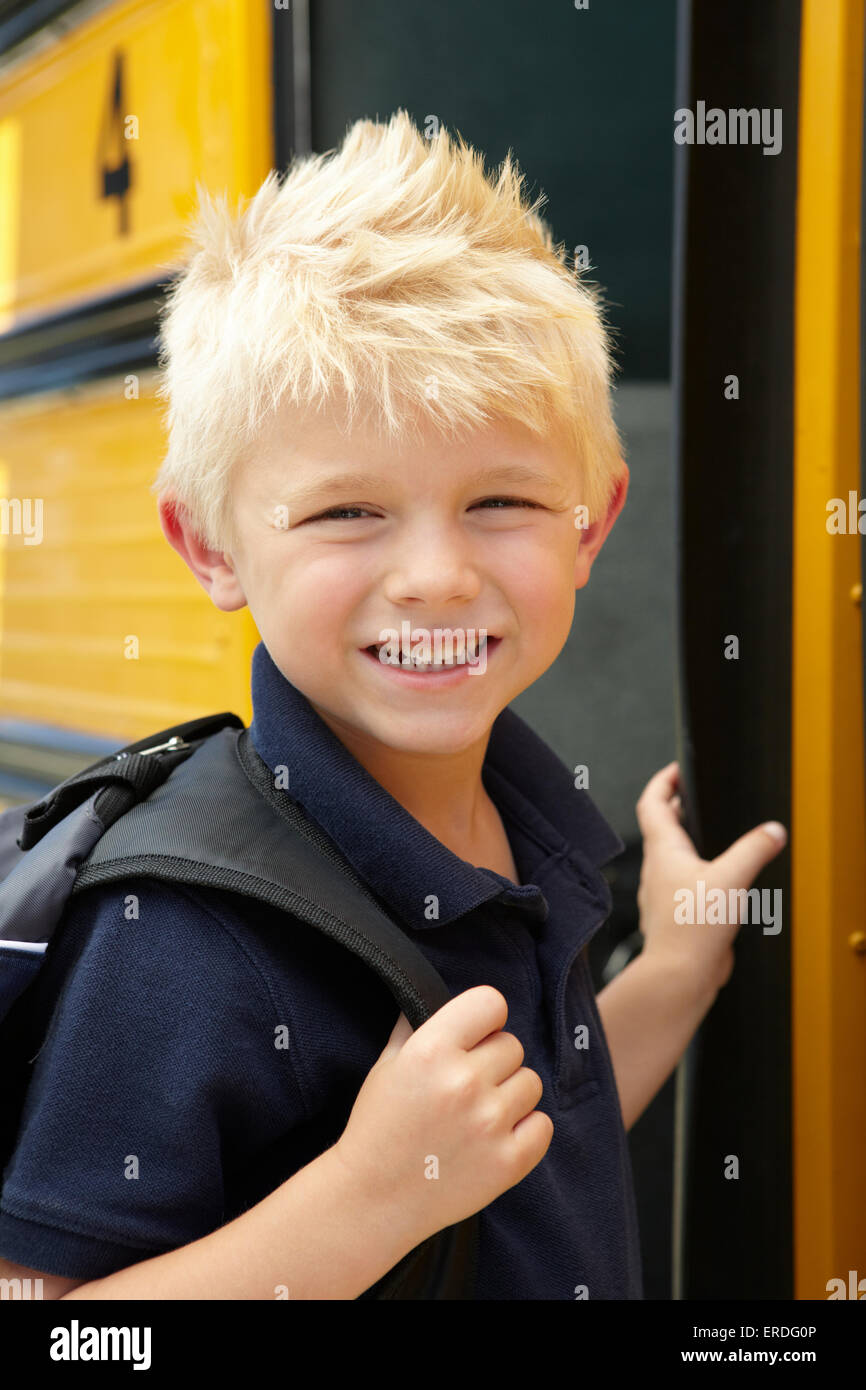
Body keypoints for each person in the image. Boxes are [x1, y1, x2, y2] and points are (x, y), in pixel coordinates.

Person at [0, 111, 786, 1300]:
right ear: (208, 546)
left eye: (501, 502)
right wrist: (366, 1202)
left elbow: (514, 1154)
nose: (434, 574)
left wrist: (670, 971)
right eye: (345, 512)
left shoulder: (525, 837)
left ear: (594, 521)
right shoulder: (182, 932)